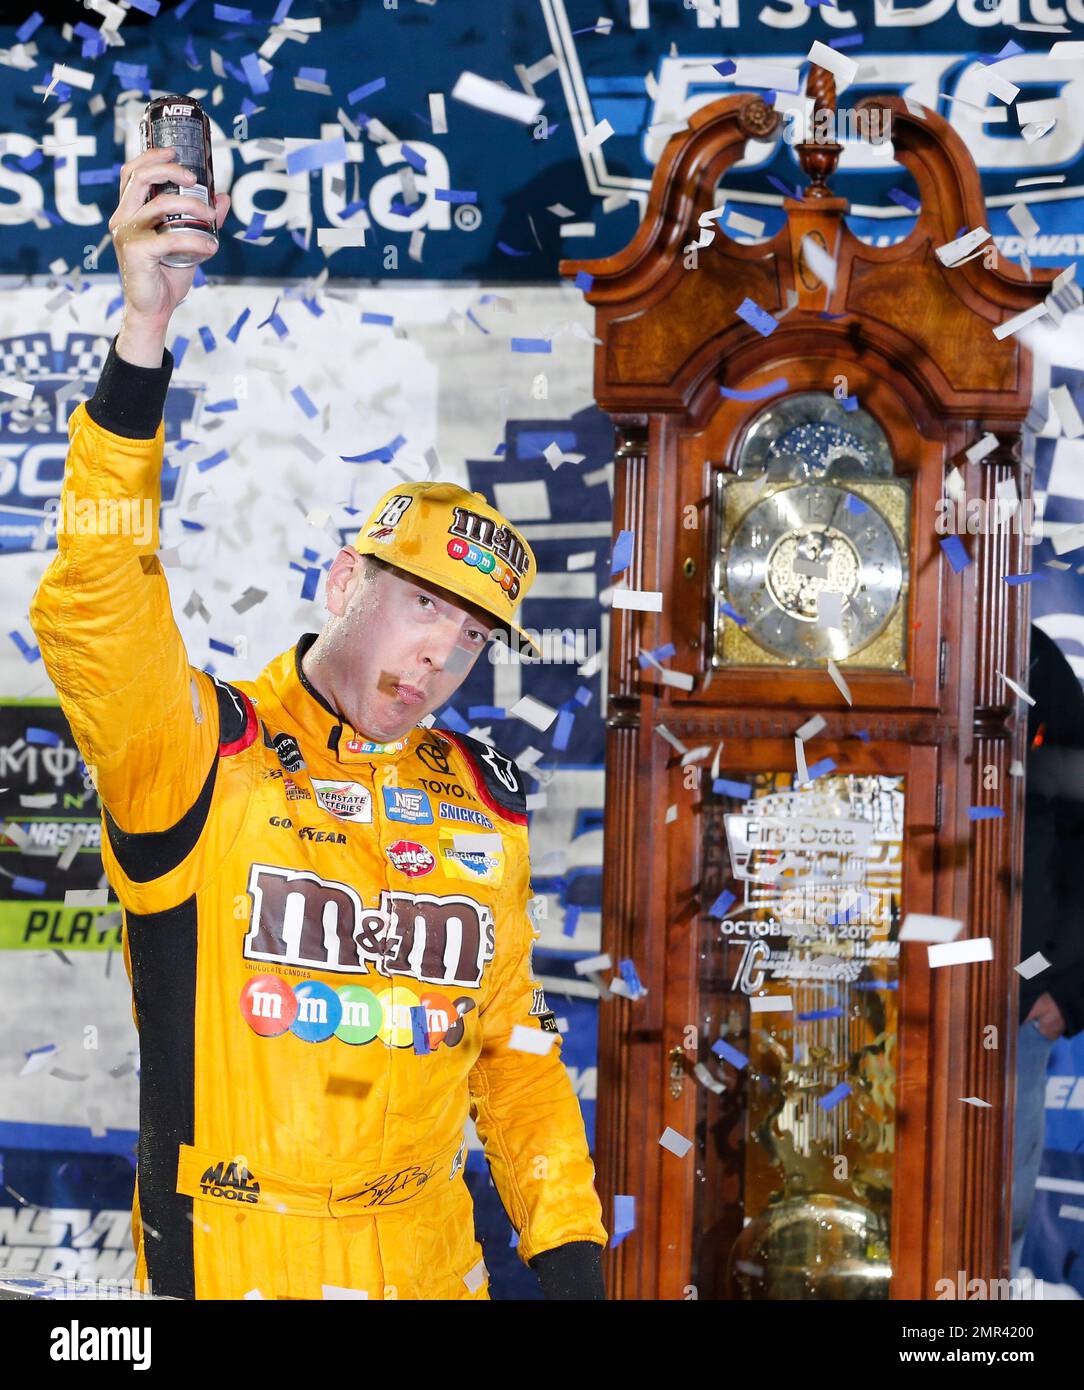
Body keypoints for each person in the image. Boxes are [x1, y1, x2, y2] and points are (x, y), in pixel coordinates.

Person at [28, 144, 607, 1301]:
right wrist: (143, 338)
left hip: (435, 1261)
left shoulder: (480, 802)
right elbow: (97, 597)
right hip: (243, 1255)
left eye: (475, 633)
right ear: (348, 581)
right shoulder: (199, 747)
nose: (441, 652)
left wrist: (572, 1259)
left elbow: (513, 1051)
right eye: (424, 604)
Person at [1011, 623, 1084, 1274]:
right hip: (884, 1007)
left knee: (995, 1211)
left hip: (1012, 1013)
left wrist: (1071, 992)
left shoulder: (1030, 655)